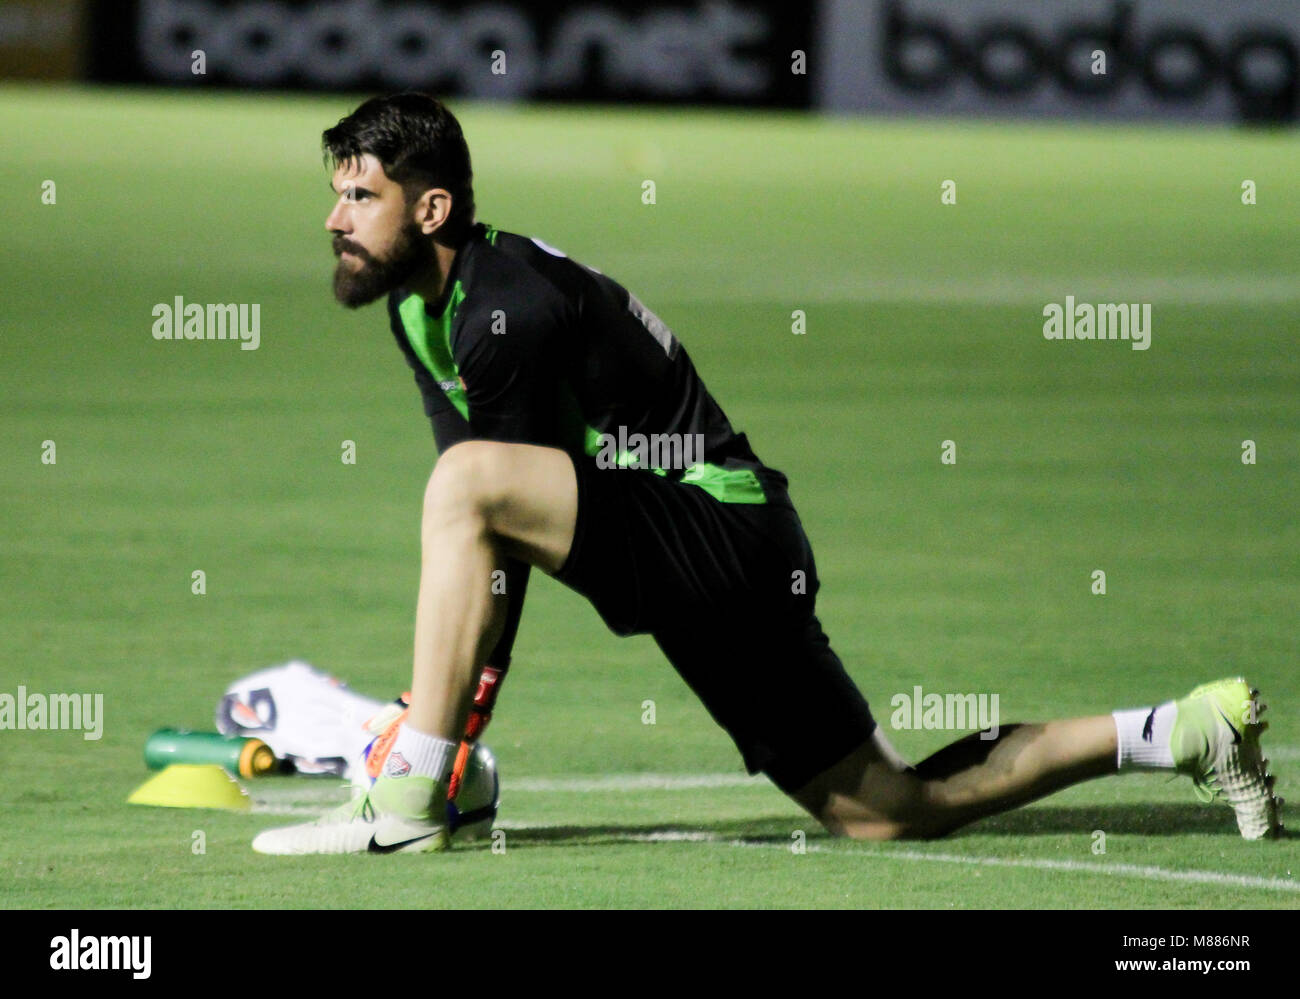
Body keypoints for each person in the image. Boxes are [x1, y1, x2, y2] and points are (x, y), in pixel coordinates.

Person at [252, 94, 1280, 854]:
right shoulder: (417, 307)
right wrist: (450, 712)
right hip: (694, 545)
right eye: (334, 194)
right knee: (886, 810)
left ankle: (417, 801)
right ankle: (1180, 730)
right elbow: (479, 541)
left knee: (467, 489)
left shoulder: (502, 310)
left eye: (359, 196)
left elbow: (490, 515)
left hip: (718, 526)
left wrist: (429, 749)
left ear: (429, 211)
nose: (335, 219)